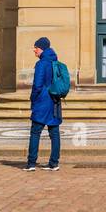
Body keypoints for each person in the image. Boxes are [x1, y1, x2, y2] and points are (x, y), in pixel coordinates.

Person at [26, 37, 61, 171]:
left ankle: (31, 163)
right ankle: (54, 163)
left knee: (35, 132)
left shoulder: (42, 64)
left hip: (42, 101)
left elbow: (37, 85)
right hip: (54, 100)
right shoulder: (55, 61)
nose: (34, 50)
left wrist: (33, 99)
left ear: (42, 48)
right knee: (54, 133)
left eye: (36, 47)